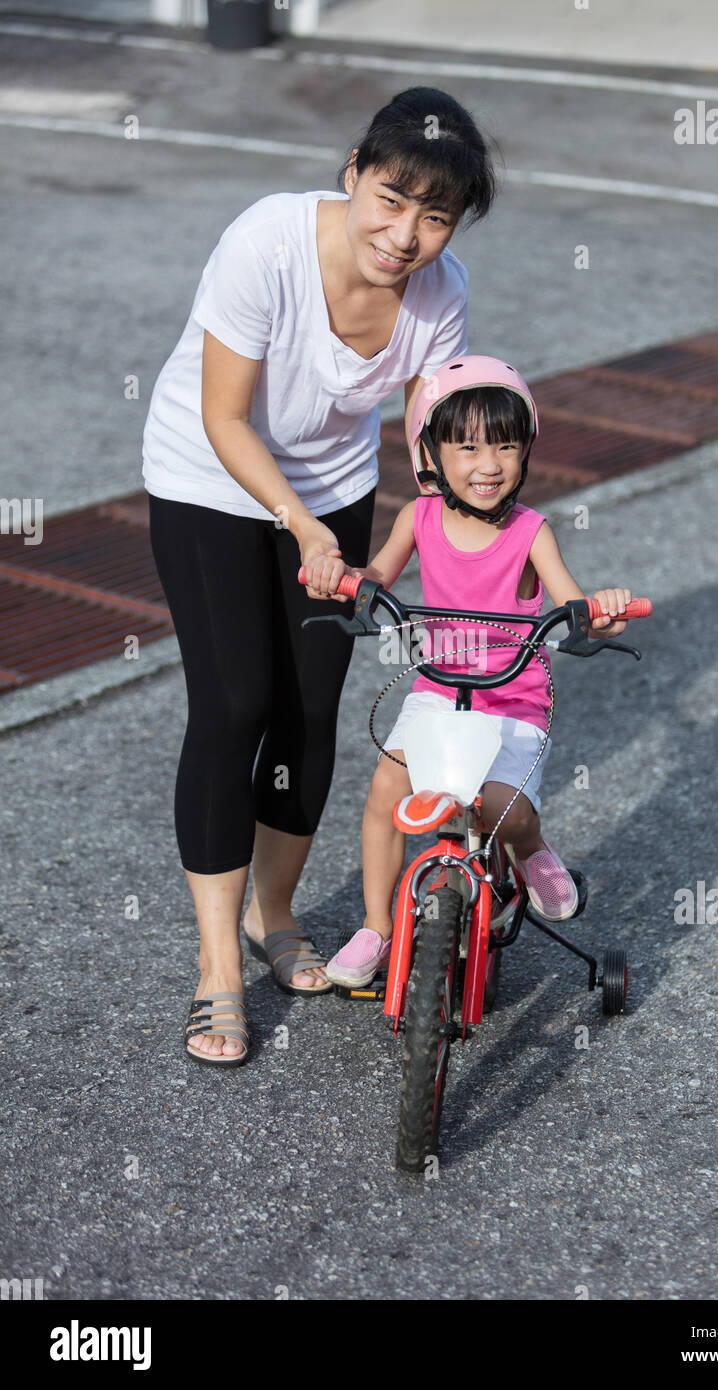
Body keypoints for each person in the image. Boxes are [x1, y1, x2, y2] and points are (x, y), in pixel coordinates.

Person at [141, 88, 498, 1065]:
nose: (404, 234)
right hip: (206, 474)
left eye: (435, 216)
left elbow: (435, 449)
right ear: (353, 174)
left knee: (307, 708)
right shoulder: (266, 242)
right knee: (235, 702)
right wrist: (297, 526)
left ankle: (276, 914)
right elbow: (224, 416)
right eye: (390, 198)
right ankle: (219, 970)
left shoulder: (441, 293)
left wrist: (477, 552)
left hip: (333, 486)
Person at [319, 356, 634, 988]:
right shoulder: (419, 517)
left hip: (513, 699)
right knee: (388, 788)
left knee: (502, 809)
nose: (487, 465)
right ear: (430, 455)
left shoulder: (530, 531)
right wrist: (346, 580)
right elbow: (376, 576)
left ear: (526, 453)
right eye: (466, 446)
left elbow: (573, 605)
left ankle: (533, 848)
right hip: (440, 690)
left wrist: (603, 614)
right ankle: (376, 926)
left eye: (505, 446)